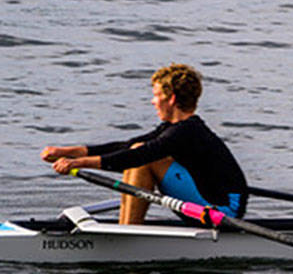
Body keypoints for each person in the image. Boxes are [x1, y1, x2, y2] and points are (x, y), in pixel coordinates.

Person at [41, 63, 248, 225]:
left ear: (171, 99)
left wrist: (78, 164)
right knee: (137, 149)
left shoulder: (187, 131)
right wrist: (68, 152)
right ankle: (127, 227)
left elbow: (139, 155)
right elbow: (128, 145)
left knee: (143, 158)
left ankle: (128, 235)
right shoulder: (173, 128)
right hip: (207, 200)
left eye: (157, 95)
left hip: (224, 211)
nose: (152, 101)